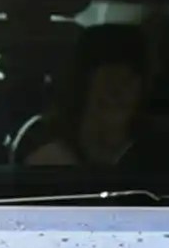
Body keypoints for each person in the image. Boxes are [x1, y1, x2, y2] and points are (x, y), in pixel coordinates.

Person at [13, 24, 149, 167]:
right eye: (109, 79)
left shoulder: (161, 144)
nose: (117, 92)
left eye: (128, 79)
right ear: (84, 83)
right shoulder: (42, 140)